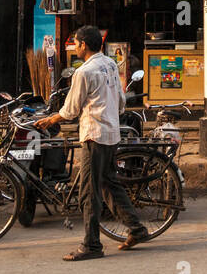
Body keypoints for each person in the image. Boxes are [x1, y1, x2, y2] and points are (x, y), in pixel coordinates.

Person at [35, 25, 149, 260]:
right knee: (108, 184)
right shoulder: (109, 64)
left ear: (83, 44)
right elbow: (120, 102)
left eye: (75, 43)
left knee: (89, 191)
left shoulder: (84, 72)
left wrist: (50, 120)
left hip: (94, 135)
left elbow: (71, 109)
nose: (74, 46)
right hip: (110, 133)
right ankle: (137, 229)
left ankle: (91, 245)